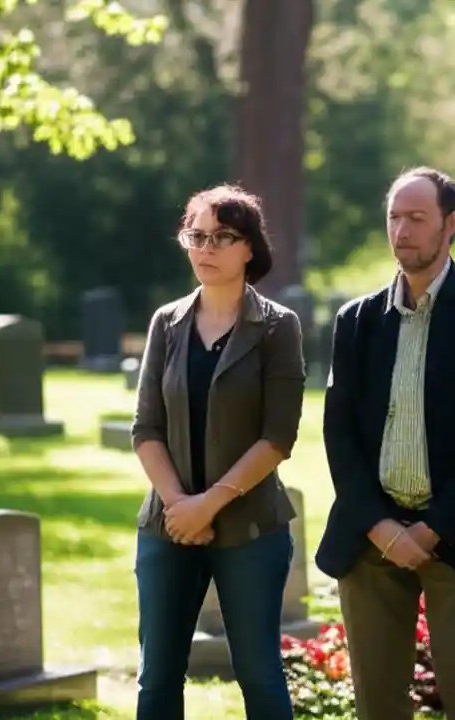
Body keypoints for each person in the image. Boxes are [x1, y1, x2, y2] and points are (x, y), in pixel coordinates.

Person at [315, 166, 455, 720]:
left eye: (417, 218)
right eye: (394, 217)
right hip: (371, 537)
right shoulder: (356, 320)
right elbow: (338, 434)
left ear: (450, 224)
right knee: (378, 703)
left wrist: (433, 528)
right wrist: (382, 526)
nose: (402, 230)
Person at [130, 184, 306, 719]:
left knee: (258, 674)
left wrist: (209, 505)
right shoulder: (166, 322)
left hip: (252, 528)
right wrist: (179, 504)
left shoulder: (279, 327)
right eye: (196, 235)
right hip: (169, 527)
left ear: (249, 247)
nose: (205, 248)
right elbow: (145, 428)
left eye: (222, 236)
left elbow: (278, 437)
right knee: (157, 679)